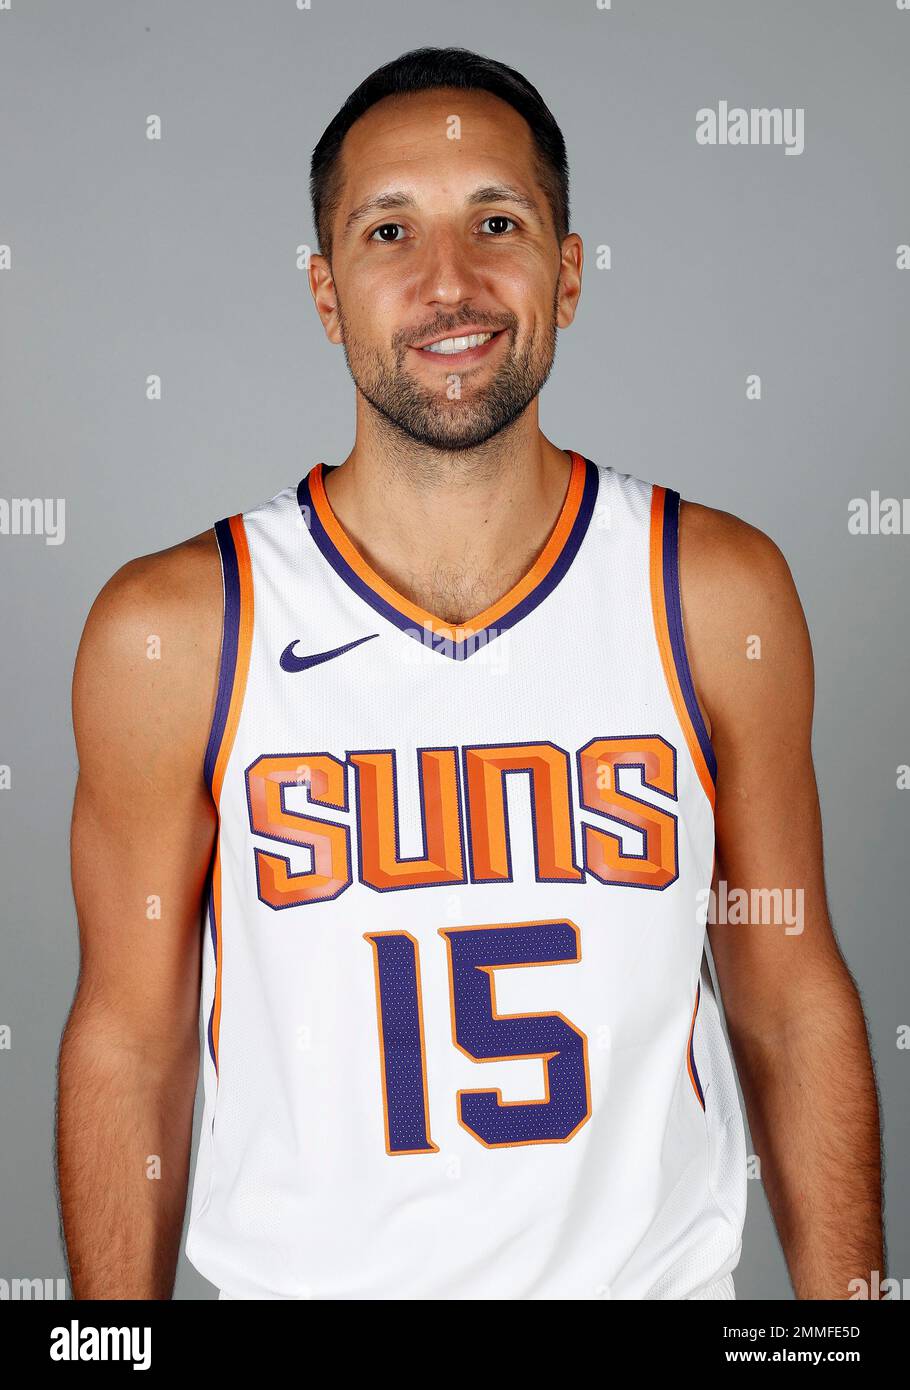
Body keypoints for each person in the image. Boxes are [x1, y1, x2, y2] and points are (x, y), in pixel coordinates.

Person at [58, 46, 883, 1300]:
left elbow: (787, 991)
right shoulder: (178, 629)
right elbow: (130, 1037)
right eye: (390, 232)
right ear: (328, 293)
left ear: (567, 268)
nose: (451, 281)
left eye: (496, 221)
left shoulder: (711, 592)